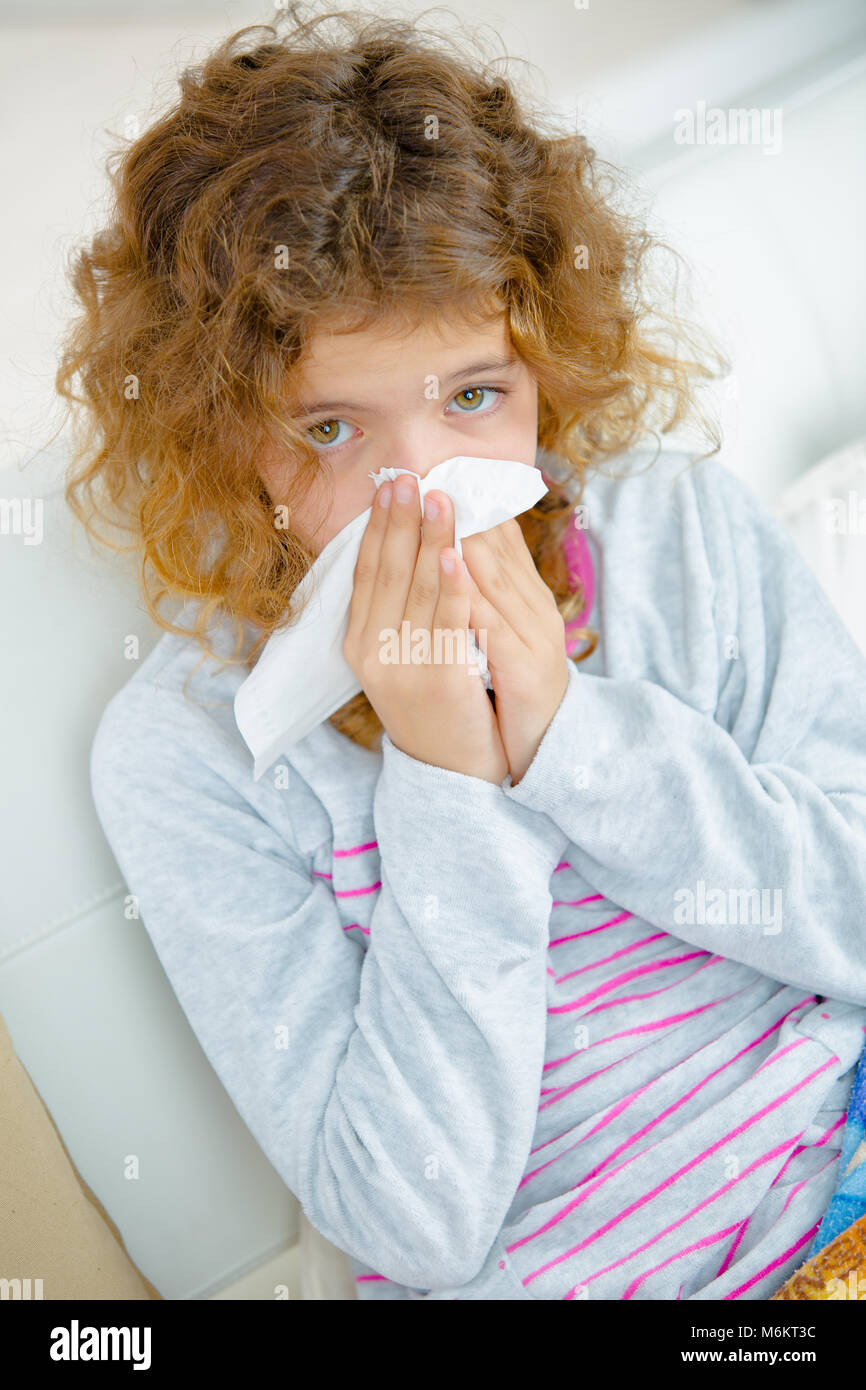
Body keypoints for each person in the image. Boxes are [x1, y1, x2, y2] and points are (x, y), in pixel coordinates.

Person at [55, 5, 866, 1300]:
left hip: (838, 1164)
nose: (417, 492)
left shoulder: (671, 530)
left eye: (473, 397)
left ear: (547, 366)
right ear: (218, 436)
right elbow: (411, 1220)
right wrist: (443, 777)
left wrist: (569, 737)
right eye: (328, 429)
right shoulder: (193, 751)